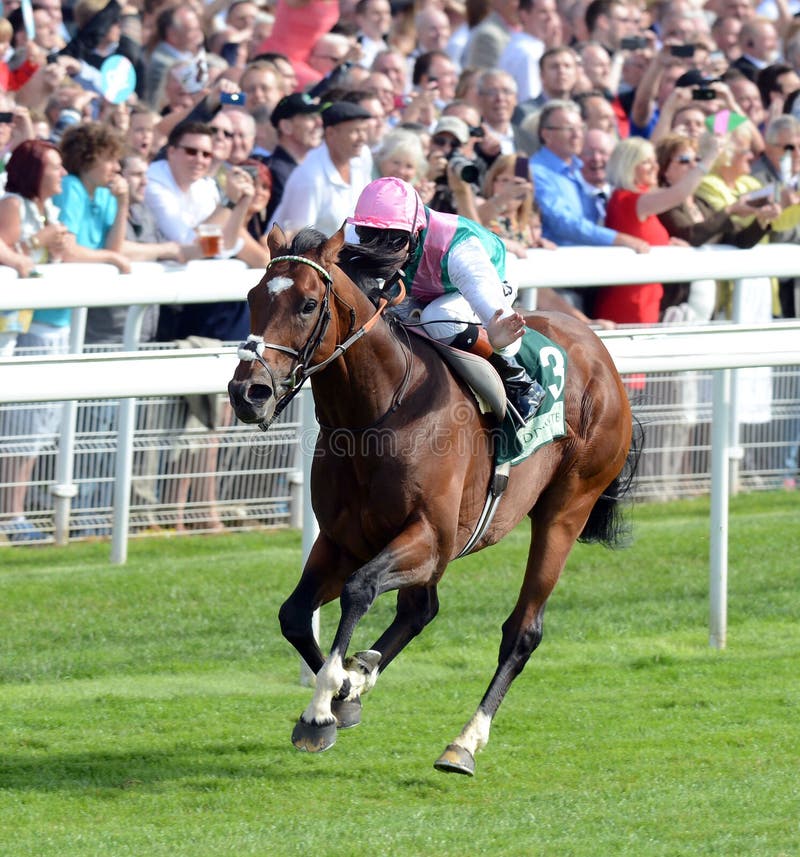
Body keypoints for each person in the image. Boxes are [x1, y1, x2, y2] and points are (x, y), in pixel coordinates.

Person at [347, 176, 545, 424]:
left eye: (392, 241)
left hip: (488, 281)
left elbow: (498, 317)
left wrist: (500, 343)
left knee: (438, 319)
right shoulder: (360, 237)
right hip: (427, 289)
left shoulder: (459, 251)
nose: (380, 251)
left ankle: (516, 378)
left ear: (415, 233)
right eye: (370, 237)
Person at [0, 139, 71, 542]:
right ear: (34, 170)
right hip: (11, 326)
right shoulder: (13, 203)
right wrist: (35, 246)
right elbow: (7, 249)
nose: (62, 173)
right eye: (55, 166)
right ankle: (10, 515)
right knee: (20, 426)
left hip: (19, 327)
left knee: (32, 428)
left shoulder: (45, 209)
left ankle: (14, 513)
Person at [593, 134, 723, 326]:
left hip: (647, 301)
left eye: (654, 161)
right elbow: (679, 193)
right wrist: (709, 158)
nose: (655, 167)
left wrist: (669, 247)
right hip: (630, 306)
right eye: (646, 162)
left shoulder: (638, 201)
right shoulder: (627, 201)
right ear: (628, 166)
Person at [272, 100, 373, 238]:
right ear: (331, 134)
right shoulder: (309, 178)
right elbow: (299, 239)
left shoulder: (363, 156)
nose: (362, 138)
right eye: (355, 131)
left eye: (364, 131)